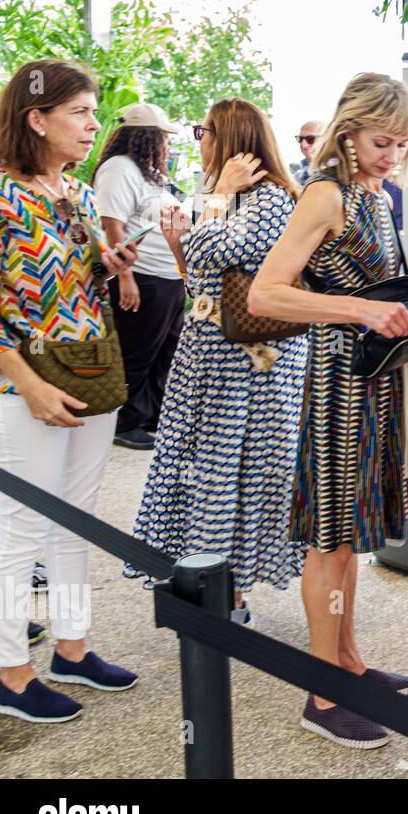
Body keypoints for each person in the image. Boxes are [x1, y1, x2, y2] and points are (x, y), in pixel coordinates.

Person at [249, 73, 408, 750]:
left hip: (372, 379)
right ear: (348, 129)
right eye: (384, 141)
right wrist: (361, 308)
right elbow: (266, 294)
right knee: (329, 538)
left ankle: (348, 659)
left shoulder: (373, 196)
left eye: (403, 145)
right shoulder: (325, 194)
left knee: (347, 536)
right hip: (338, 382)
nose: (392, 155)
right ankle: (322, 693)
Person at [0, 59, 141, 723]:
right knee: (22, 531)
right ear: (37, 117)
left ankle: (72, 649)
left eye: (93, 110)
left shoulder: (68, 190)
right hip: (24, 387)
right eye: (80, 112)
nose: (93, 124)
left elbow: (67, 283)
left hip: (86, 373)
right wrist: (24, 383)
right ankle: (10, 676)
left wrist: (108, 266)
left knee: (75, 521)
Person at [126, 99, 308, 625]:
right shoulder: (231, 199)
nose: (198, 138)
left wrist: (216, 199)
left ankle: (227, 596)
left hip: (247, 368)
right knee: (202, 474)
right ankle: (211, 584)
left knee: (229, 475)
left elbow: (215, 256)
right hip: (209, 358)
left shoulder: (270, 199)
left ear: (230, 140)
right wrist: (177, 242)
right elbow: (202, 279)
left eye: (203, 130)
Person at [92, 103, 186, 450]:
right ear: (148, 137)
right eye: (163, 138)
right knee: (136, 351)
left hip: (167, 278)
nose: (168, 146)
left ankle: (149, 417)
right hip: (142, 277)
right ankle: (122, 421)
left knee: (164, 352)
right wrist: (126, 278)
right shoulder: (118, 169)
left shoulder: (148, 173)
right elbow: (111, 223)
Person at [291, 120, 325, 187]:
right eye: (300, 139)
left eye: (310, 139)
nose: (304, 145)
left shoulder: (338, 174)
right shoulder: (297, 178)